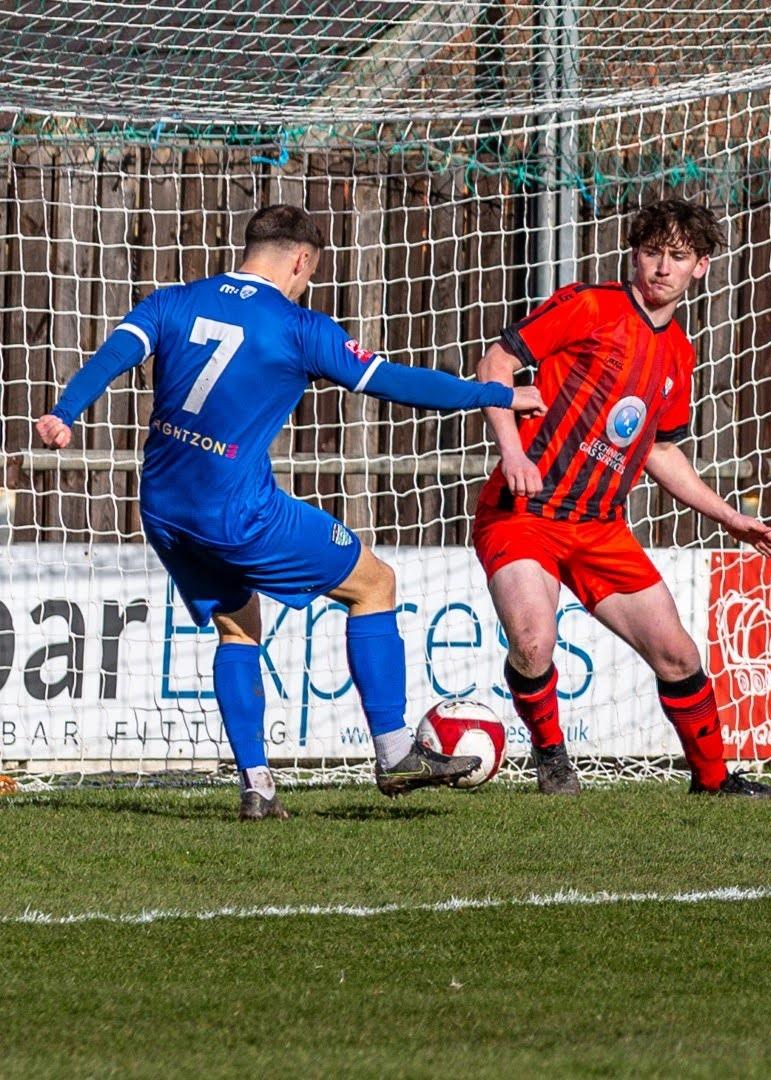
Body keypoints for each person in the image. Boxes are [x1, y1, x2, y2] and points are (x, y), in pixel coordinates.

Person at [34, 204, 543, 820]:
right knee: (374, 583)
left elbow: (115, 354)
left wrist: (65, 411)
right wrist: (495, 393)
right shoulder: (299, 327)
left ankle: (257, 786)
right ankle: (393, 752)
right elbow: (398, 383)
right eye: (311, 272)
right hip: (239, 512)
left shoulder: (172, 301)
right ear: (302, 261)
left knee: (238, 622)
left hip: (164, 507)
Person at [473, 198, 771, 798]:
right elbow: (497, 359)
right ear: (633, 255)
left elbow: (658, 450)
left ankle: (714, 782)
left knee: (677, 653)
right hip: (525, 515)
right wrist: (512, 450)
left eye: (677, 257)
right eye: (652, 253)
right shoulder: (589, 306)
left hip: (599, 526)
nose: (661, 269)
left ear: (701, 266)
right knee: (535, 640)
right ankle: (552, 760)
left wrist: (728, 516)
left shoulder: (678, 354)